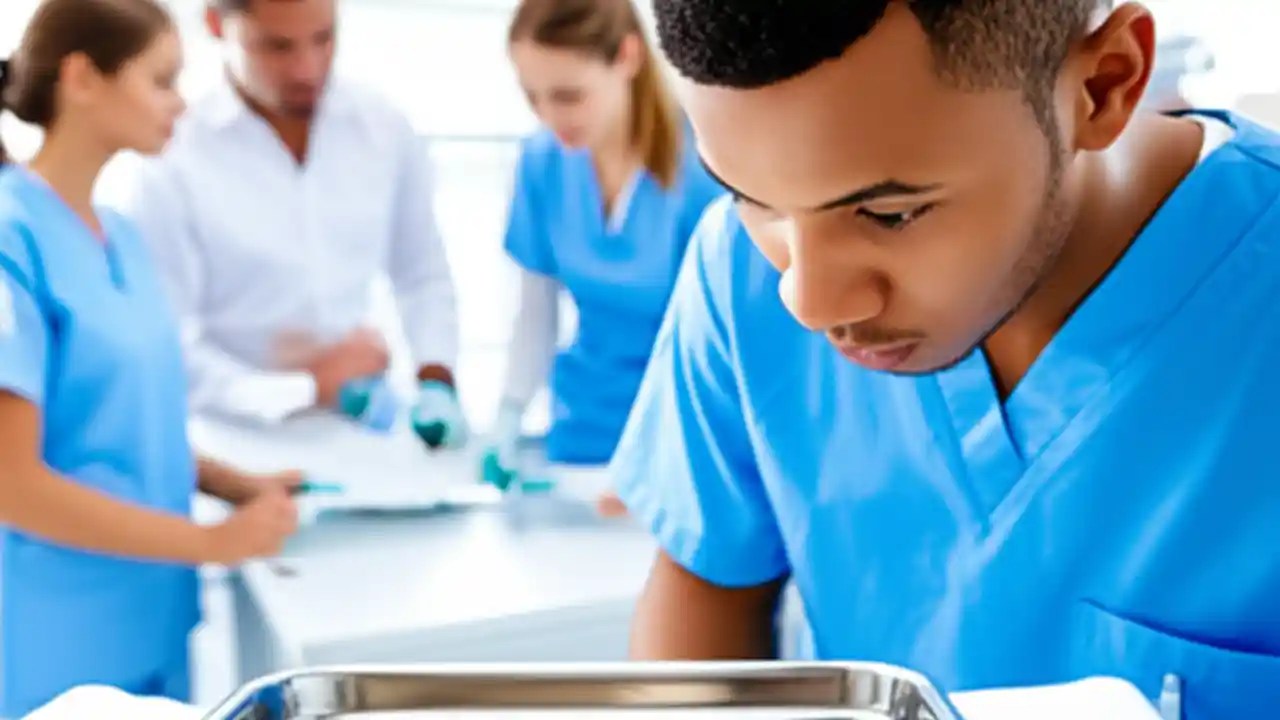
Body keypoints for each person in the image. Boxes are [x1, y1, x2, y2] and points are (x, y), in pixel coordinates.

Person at [610, 0, 1280, 717]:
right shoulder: (733, 277)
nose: (808, 301)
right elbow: (704, 603)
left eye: (890, 214)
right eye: (749, 196)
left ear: (1104, 85)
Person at [0, 1, 300, 716]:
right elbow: (12, 483)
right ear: (83, 79)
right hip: (60, 639)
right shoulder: (13, 239)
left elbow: (119, 419)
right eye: (162, 80)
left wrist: (236, 485)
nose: (180, 103)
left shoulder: (124, 238)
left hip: (154, 622)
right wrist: (212, 540)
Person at [122, 0, 468, 448]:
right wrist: (306, 387)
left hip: (366, 438)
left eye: (324, 39)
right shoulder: (172, 158)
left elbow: (421, 273)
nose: (307, 69)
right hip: (233, 449)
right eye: (277, 47)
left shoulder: (383, 128)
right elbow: (165, 344)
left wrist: (435, 378)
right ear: (215, 24)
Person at [485, 0, 723, 497]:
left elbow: (717, 342)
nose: (550, 116)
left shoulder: (705, 169)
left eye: (569, 96)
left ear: (628, 58)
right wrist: (508, 414)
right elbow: (536, 316)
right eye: (533, 97)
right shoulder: (541, 162)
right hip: (581, 428)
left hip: (681, 434)